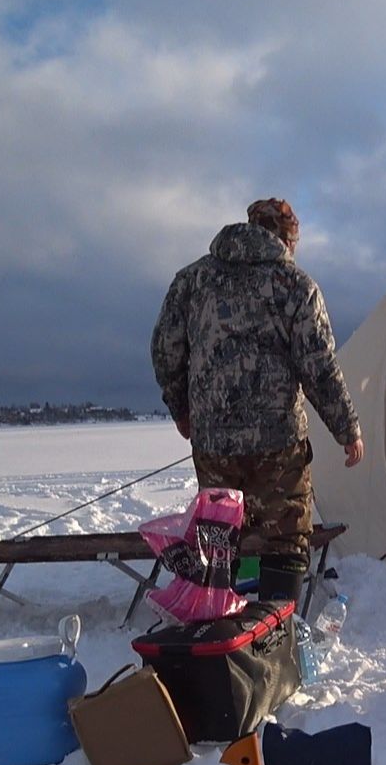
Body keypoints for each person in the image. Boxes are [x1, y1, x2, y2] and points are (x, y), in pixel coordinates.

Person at [151, 197, 363, 600]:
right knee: (284, 544)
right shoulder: (296, 286)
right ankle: (274, 639)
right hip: (278, 448)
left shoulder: (192, 281)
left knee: (217, 542)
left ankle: (216, 637)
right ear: (286, 238)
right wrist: (347, 428)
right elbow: (318, 367)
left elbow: (165, 351)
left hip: (214, 445)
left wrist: (182, 409)